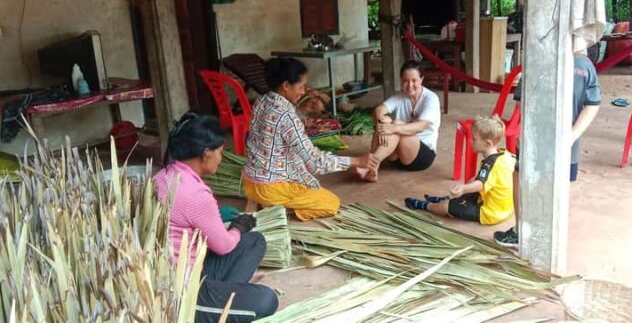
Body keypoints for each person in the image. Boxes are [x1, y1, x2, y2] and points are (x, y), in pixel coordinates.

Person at [154, 113, 278, 323]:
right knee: (267, 300)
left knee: (254, 241)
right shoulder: (196, 195)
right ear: (206, 153)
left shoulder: (162, 176)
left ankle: (222, 301)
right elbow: (224, 247)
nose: (221, 158)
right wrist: (239, 226)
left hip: (188, 268)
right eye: (220, 152)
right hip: (182, 291)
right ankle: (207, 310)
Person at [242, 57, 379, 220]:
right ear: (286, 86)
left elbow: (274, 131)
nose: (303, 91)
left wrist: (301, 111)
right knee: (331, 203)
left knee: (298, 165)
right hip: (271, 188)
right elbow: (315, 163)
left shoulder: (261, 100)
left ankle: (257, 200)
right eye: (301, 87)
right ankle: (278, 208)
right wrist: (356, 161)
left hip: (250, 182)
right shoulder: (287, 117)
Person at [494, 54, 601, 247]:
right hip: (565, 143)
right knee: (559, 185)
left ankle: (521, 231)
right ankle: (551, 236)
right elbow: (592, 105)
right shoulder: (585, 65)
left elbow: (521, 104)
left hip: (534, 140)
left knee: (523, 178)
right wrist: (571, 136)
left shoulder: (536, 58)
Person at [404, 115, 516, 225]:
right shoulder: (504, 154)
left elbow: (480, 184)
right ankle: (446, 199)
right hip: (504, 207)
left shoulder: (490, 164)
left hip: (490, 213)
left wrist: (463, 188)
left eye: (474, 139)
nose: (471, 141)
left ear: (487, 144)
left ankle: (426, 206)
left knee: (446, 207)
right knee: (470, 185)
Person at [357, 60, 442, 182]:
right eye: (406, 81)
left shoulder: (431, 99)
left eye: (414, 80)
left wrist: (393, 128)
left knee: (395, 124)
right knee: (384, 121)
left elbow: (420, 126)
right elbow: (379, 110)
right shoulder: (400, 96)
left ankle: (370, 165)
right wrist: (382, 123)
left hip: (421, 156)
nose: (410, 85)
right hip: (397, 158)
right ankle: (373, 165)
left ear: (421, 79)